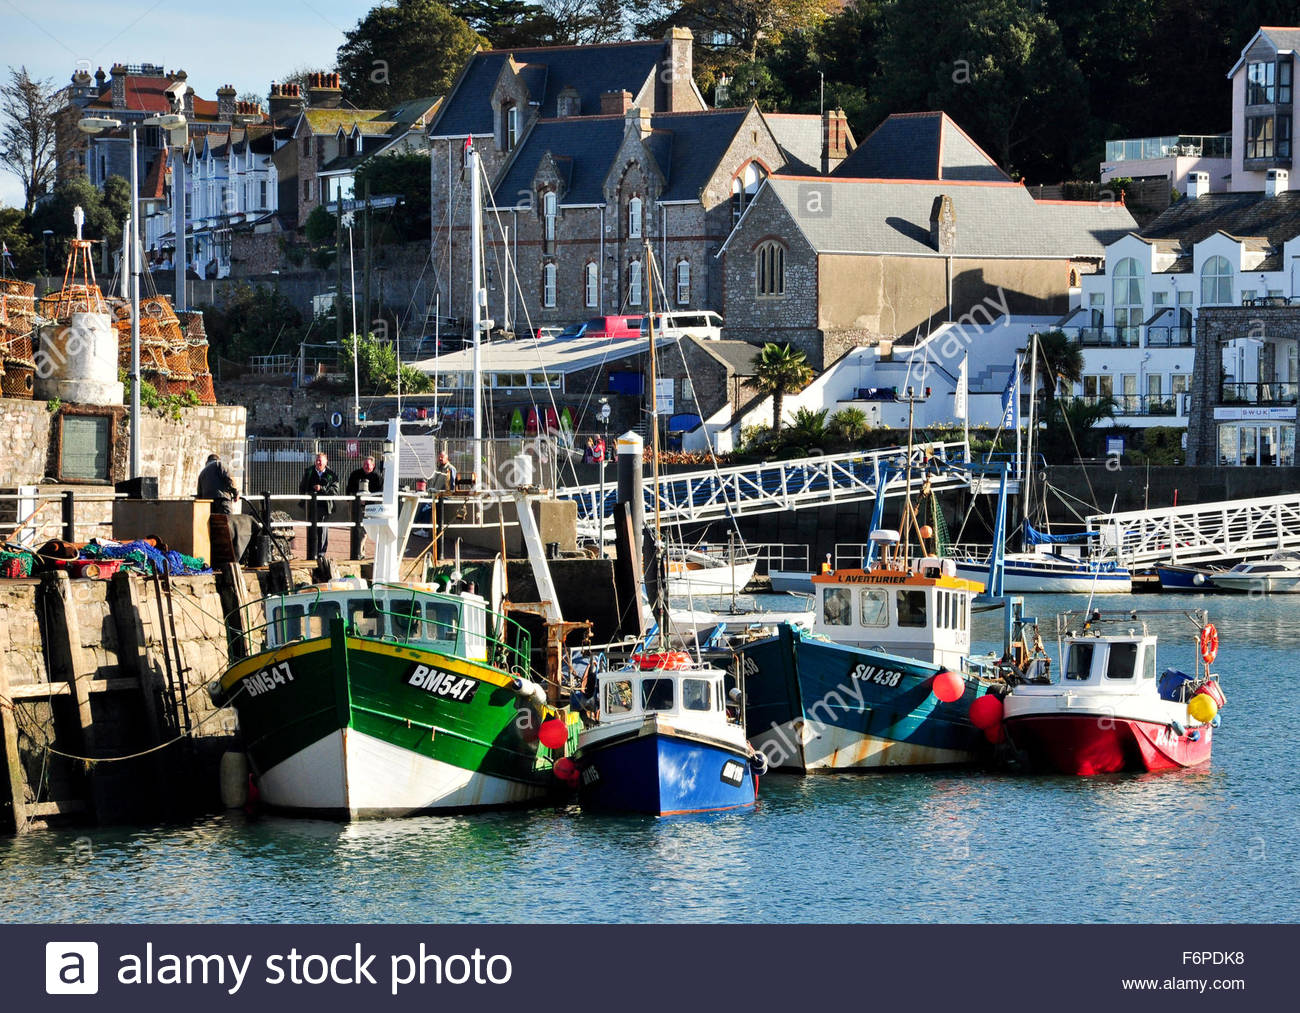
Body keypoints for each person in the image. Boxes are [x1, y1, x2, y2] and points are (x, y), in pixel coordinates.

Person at [299, 452, 340, 555]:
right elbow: (302, 487)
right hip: (311, 506)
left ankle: (321, 553)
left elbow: (335, 490)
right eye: (317, 460)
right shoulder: (309, 472)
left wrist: (322, 488)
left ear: (326, 462)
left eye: (320, 460)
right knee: (311, 529)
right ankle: (312, 553)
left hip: (325, 506)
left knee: (322, 529)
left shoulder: (332, 475)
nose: (318, 462)